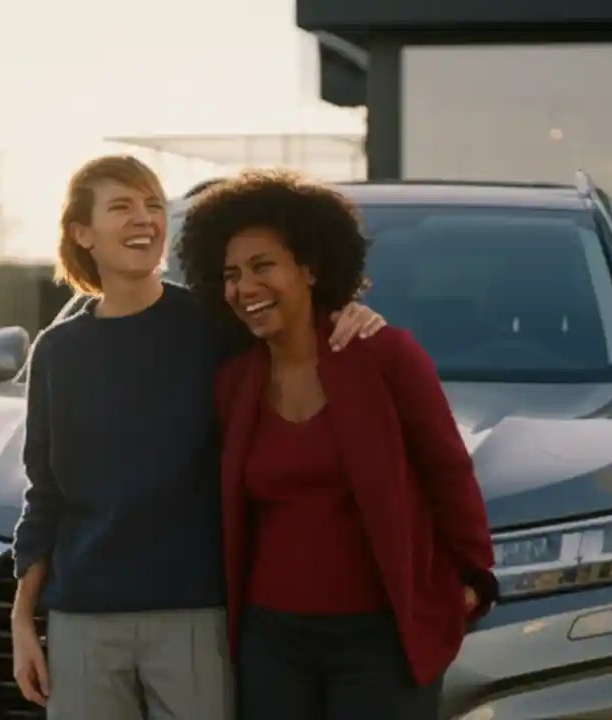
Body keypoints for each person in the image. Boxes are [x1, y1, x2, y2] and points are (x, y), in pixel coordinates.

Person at [9, 156, 385, 720]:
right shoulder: (58, 352)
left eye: (153, 205)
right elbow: (45, 492)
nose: (145, 219)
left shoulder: (215, 326)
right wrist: (22, 620)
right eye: (122, 207)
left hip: (192, 613)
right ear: (82, 232)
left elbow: (296, 343)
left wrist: (346, 315)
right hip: (82, 619)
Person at [177, 170, 497, 720]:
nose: (244, 287)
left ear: (310, 268)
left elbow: (448, 474)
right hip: (270, 642)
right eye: (230, 274)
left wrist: (473, 579)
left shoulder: (386, 357)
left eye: (262, 267)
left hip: (380, 639)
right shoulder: (233, 383)